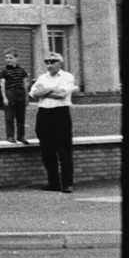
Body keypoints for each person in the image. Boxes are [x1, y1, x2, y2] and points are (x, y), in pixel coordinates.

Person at [27, 53, 78, 192]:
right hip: (44, 113)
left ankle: (67, 183)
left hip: (60, 113)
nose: (49, 65)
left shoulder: (67, 77)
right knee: (47, 151)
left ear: (60, 63)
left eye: (53, 62)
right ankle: (53, 183)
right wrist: (52, 89)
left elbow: (62, 95)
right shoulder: (42, 77)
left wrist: (44, 90)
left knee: (64, 150)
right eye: (47, 62)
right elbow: (33, 94)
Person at [0, 51, 31, 144]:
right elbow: (2, 86)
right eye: (6, 58)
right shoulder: (4, 72)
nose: (8, 60)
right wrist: (4, 98)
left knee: (21, 118)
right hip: (10, 94)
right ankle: (10, 136)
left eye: (10, 58)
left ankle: (21, 136)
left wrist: (27, 97)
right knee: (9, 117)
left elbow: (25, 84)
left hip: (20, 95)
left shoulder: (22, 71)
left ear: (16, 59)